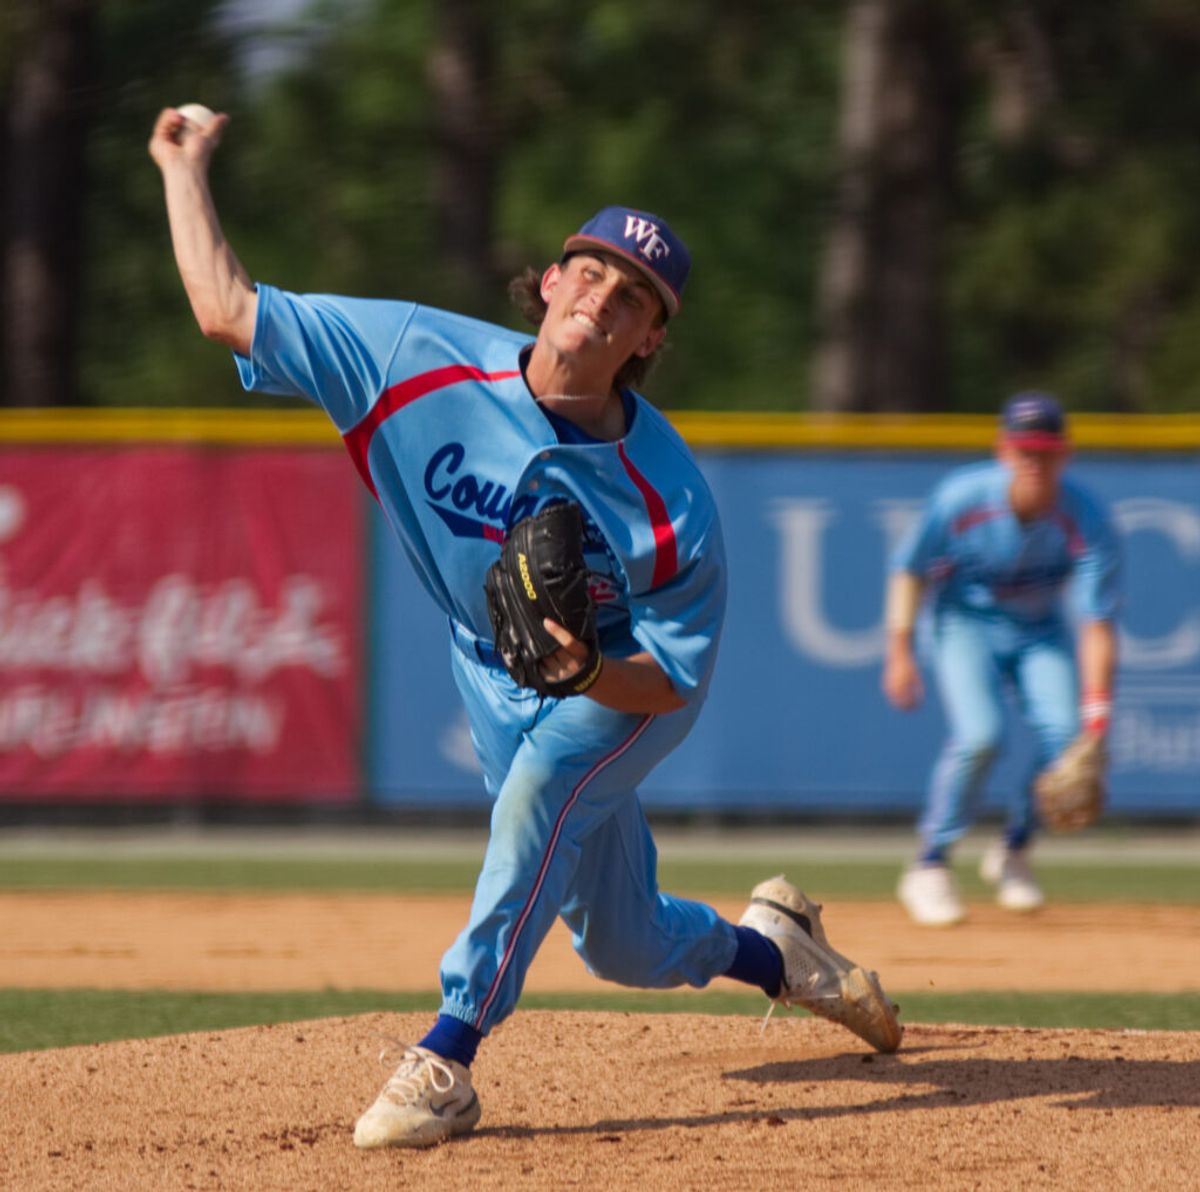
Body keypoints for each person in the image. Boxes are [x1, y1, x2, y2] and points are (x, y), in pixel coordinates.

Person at [149, 105, 901, 1149]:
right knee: (624, 941)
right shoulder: (411, 354)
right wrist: (182, 167)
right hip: (491, 665)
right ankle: (778, 950)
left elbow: (670, 679)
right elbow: (227, 309)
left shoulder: (668, 498)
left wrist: (589, 670)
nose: (605, 296)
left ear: (651, 339)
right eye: (591, 271)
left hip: (630, 688)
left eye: (634, 296)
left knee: (541, 797)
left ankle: (447, 1057)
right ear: (549, 284)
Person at [881, 392, 1121, 927]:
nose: (1034, 462)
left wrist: (1098, 719)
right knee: (981, 735)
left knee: (1068, 741)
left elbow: (1097, 623)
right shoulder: (963, 498)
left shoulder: (1085, 515)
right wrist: (899, 650)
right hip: (964, 624)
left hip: (1039, 630)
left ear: (1065, 455)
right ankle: (929, 864)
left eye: (1046, 451)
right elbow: (910, 569)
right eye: (1024, 449)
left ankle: (1015, 849)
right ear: (1003, 451)